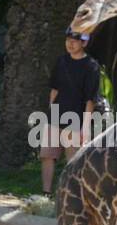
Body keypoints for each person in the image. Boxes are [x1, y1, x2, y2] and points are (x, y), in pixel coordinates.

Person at [40, 28, 101, 195]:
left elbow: (90, 100)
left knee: (73, 160)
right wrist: (50, 112)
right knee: (47, 156)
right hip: (55, 116)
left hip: (76, 119)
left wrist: (85, 127)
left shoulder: (92, 67)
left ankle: (71, 196)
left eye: (74, 41)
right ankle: (46, 193)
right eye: (68, 40)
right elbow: (54, 90)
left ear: (84, 42)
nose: (70, 44)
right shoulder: (61, 62)